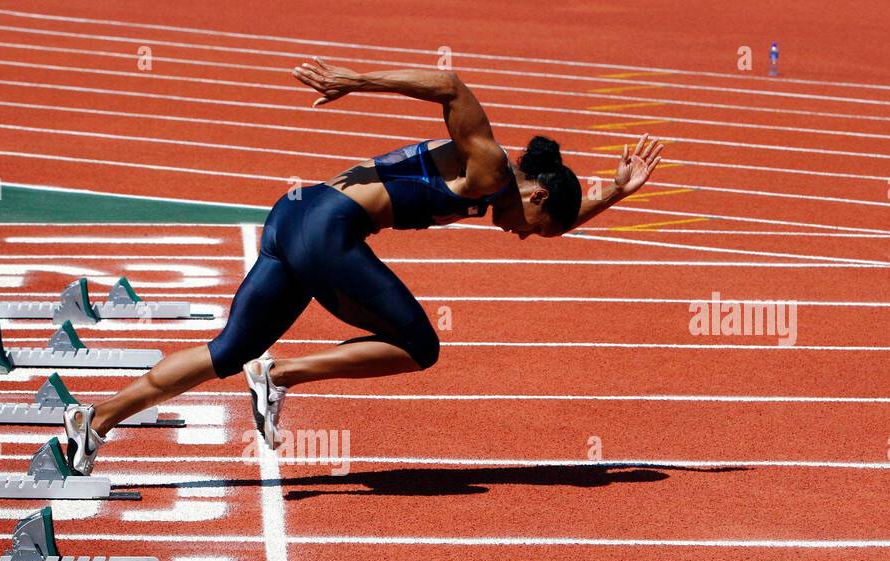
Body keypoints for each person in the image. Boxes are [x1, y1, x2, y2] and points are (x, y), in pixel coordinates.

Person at [65, 58, 664, 473]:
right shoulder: (490, 167)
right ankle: (279, 377)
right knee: (419, 346)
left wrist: (613, 195)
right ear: (534, 194)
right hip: (328, 232)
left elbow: (552, 222)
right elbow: (450, 84)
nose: (524, 235)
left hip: (294, 215)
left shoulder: (509, 195)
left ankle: (93, 421)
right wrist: (357, 79)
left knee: (227, 350)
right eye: (533, 223)